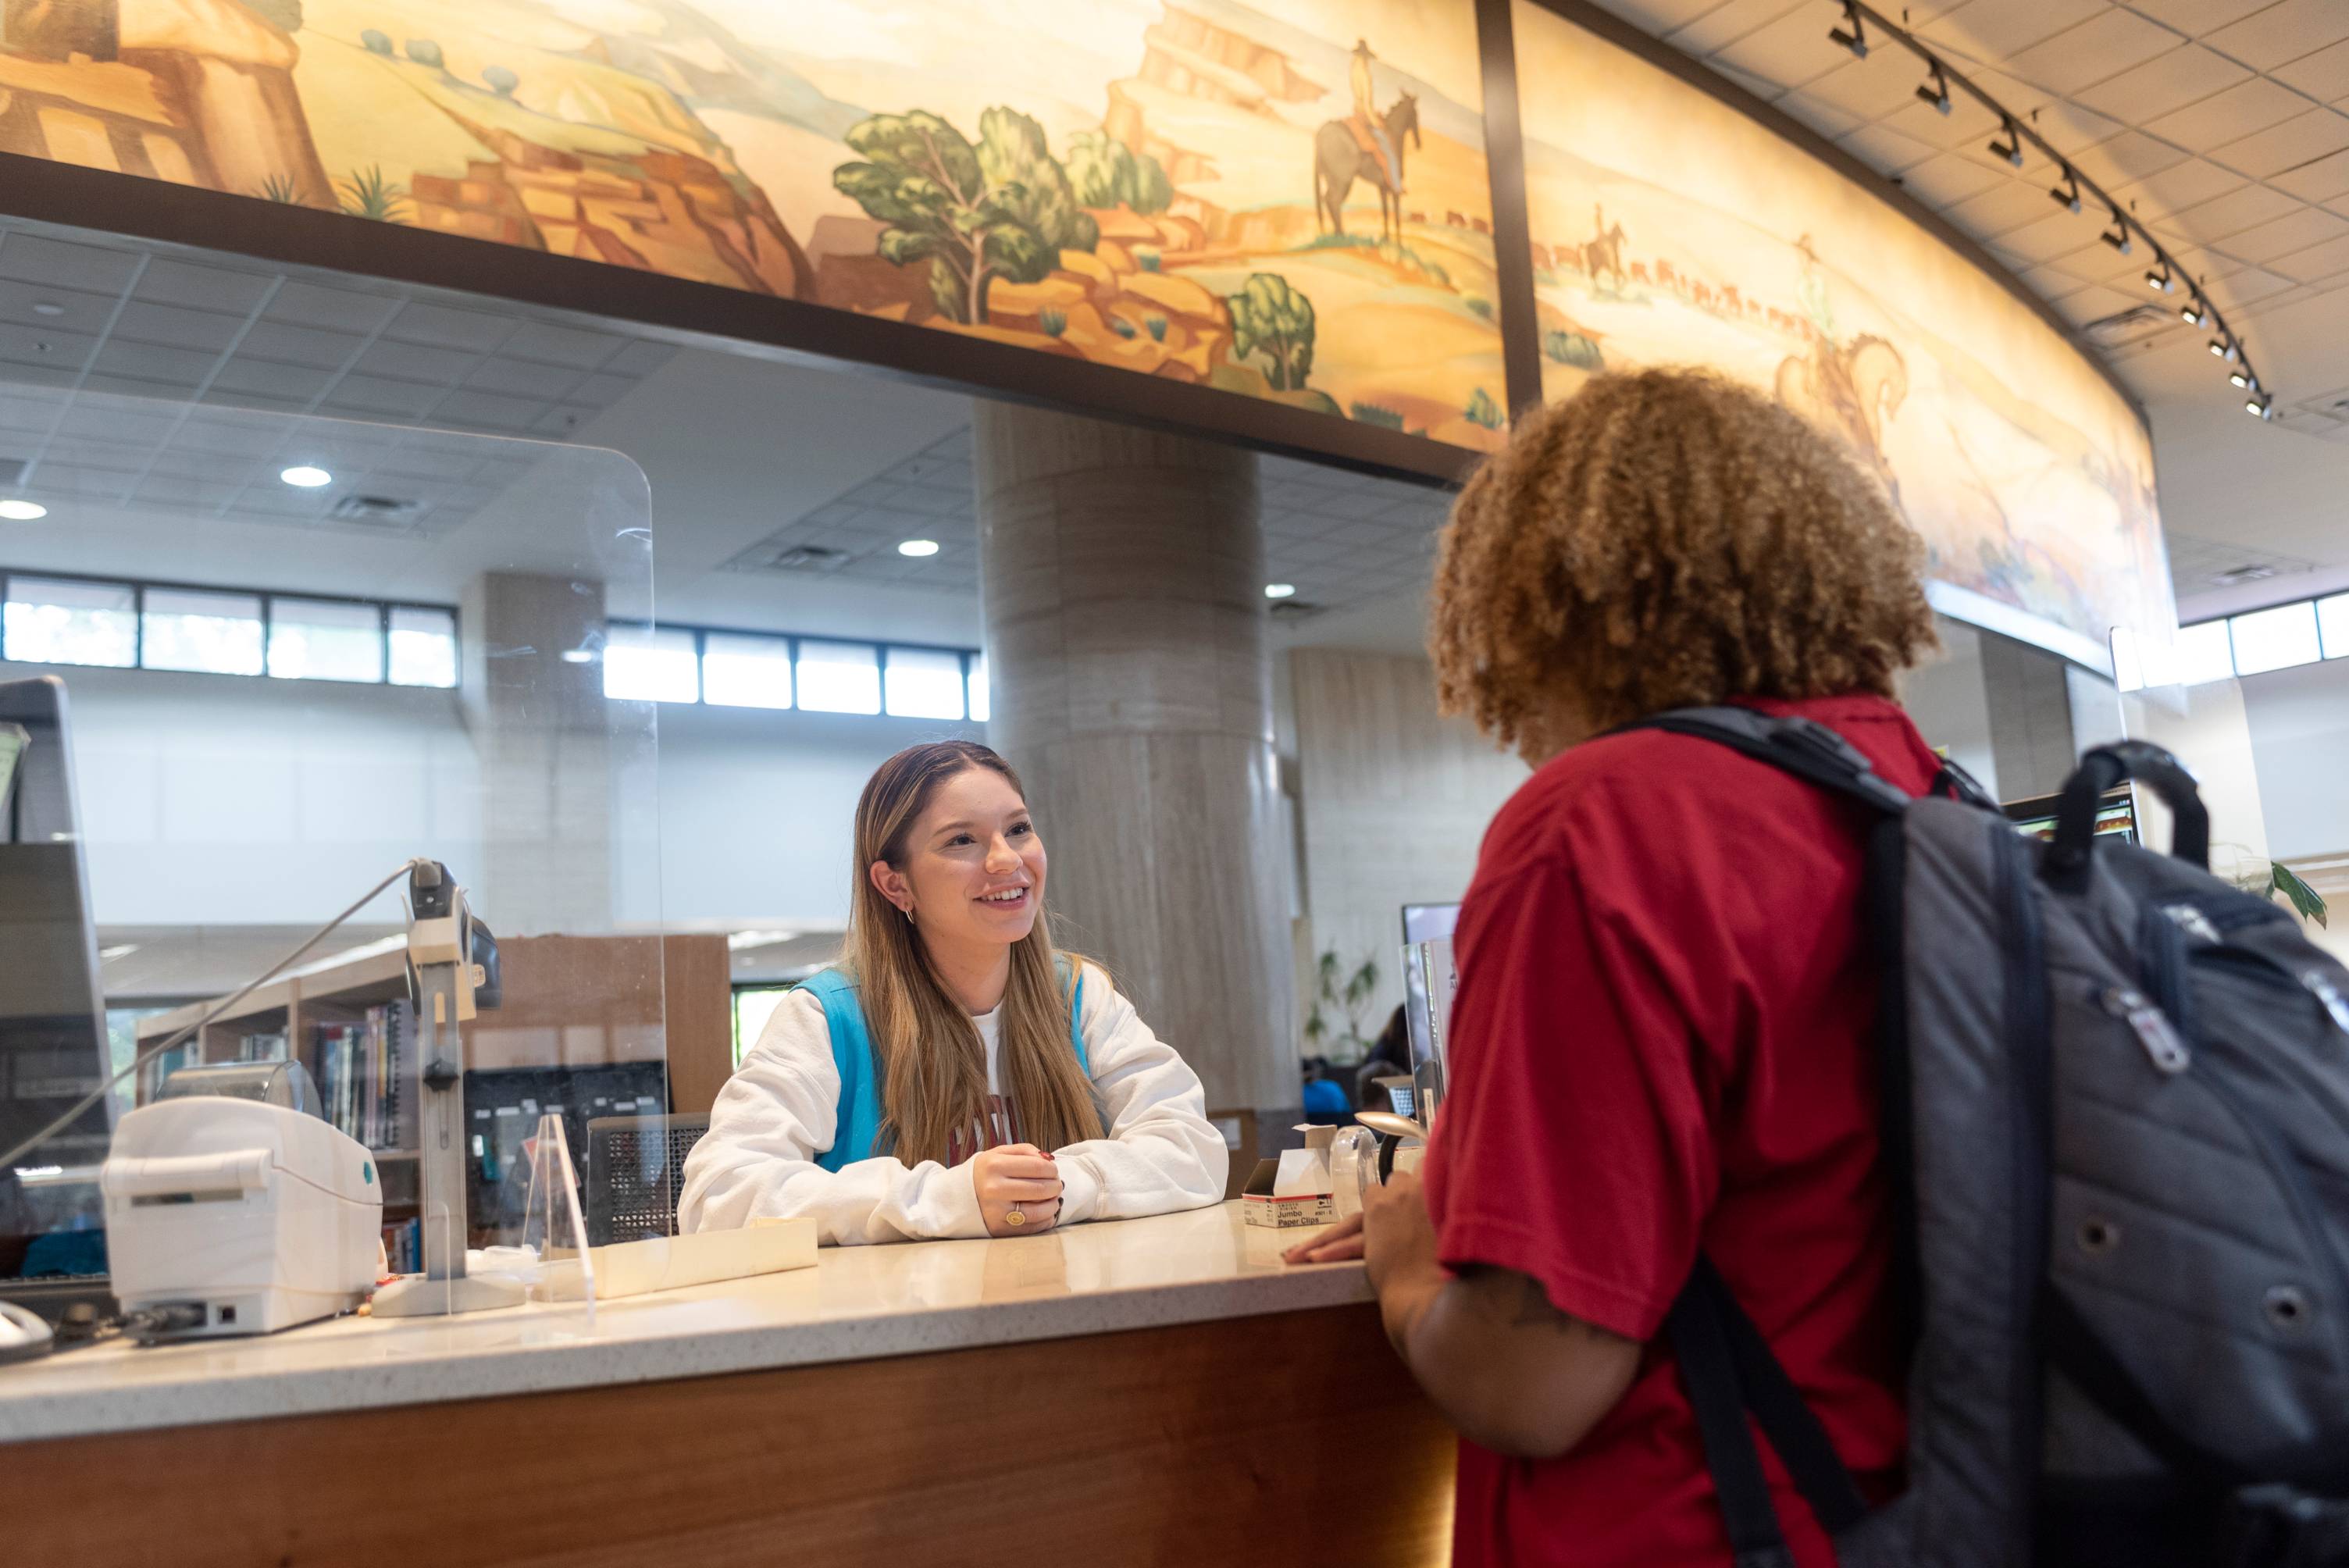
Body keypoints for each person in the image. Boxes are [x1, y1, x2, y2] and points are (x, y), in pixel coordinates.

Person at [1288, 367, 1943, 1566]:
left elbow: (1532, 1381)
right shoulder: (1913, 789)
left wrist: (1408, 1264)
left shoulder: (1601, 830)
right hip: (1917, 1509)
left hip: (1696, 1524)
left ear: (1538, 592)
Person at [680, 741, 1227, 1245]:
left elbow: (1192, 1149)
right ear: (895, 884)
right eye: (962, 840)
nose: (1006, 860)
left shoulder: (1080, 995)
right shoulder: (829, 1016)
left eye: (1018, 829)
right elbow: (717, 1196)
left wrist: (1061, 1185)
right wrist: (950, 1199)